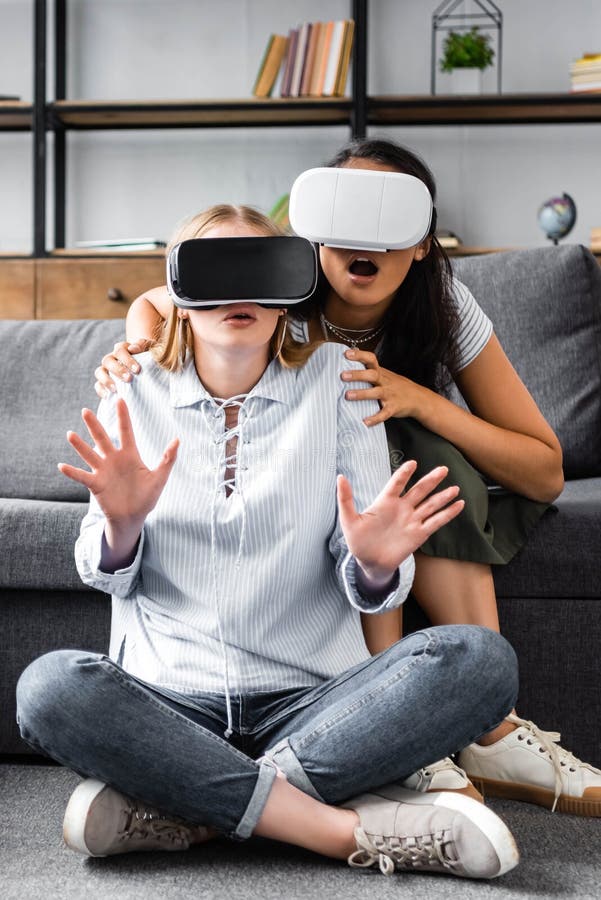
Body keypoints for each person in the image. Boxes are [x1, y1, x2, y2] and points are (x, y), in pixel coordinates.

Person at [91, 140, 601, 819]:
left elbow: (543, 472)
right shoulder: (269, 287)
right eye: (345, 210)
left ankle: (491, 731)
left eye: (388, 216)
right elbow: (166, 300)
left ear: (421, 242)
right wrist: (134, 350)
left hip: (422, 497)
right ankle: (382, 731)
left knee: (415, 448)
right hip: (293, 496)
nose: (363, 238)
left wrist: (419, 399)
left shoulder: (441, 303)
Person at [16, 205, 521, 880]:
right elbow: (100, 570)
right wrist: (121, 526)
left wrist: (373, 565)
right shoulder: (130, 390)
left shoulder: (340, 380)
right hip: (169, 699)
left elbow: (373, 582)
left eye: (260, 274)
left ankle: (190, 807)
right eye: (215, 275)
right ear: (179, 297)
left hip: (312, 698)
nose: (240, 297)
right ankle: (333, 828)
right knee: (49, 689)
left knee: (480, 660)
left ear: (290, 294)